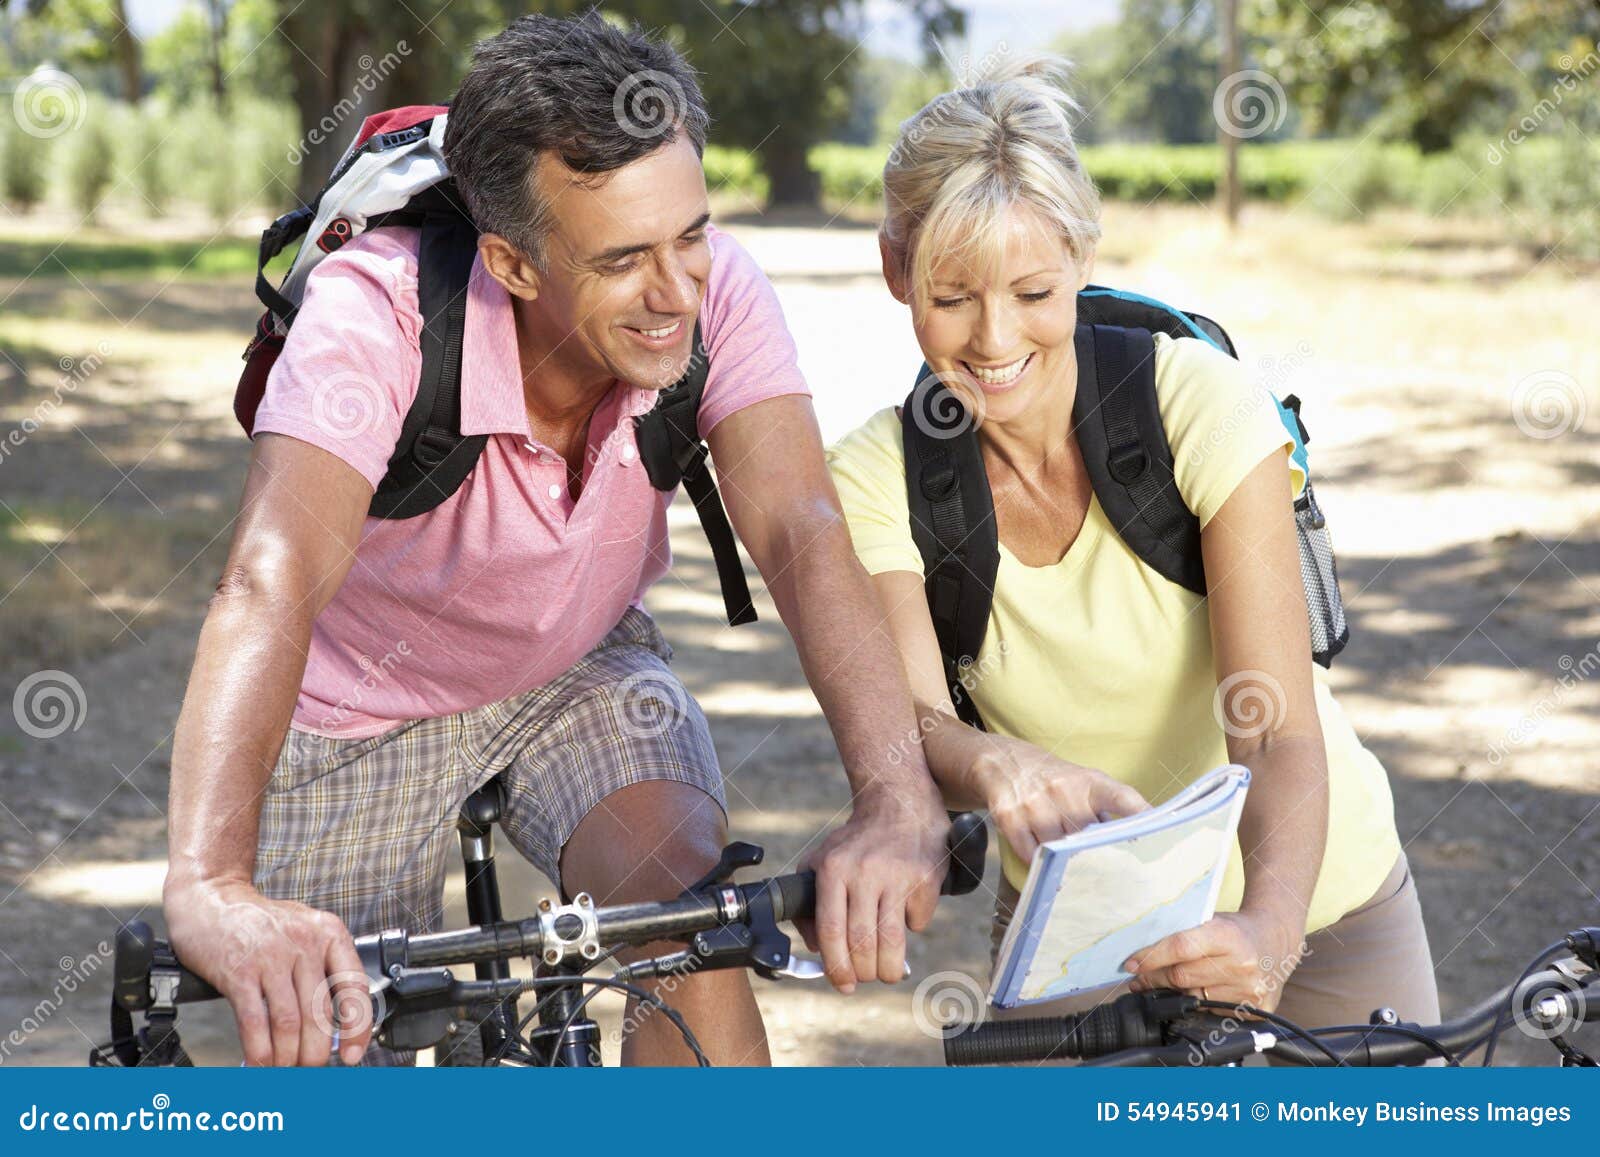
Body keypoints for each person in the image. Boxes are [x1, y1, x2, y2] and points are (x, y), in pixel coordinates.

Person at [162, 12, 951, 1068]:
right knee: (342, 1040)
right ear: (513, 262)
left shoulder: (715, 291)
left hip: (577, 671)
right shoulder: (376, 315)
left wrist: (895, 797)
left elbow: (801, 531)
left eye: (690, 235)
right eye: (623, 260)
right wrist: (211, 882)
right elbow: (270, 578)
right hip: (356, 705)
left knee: (690, 924)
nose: (675, 293)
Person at [824, 54, 1439, 1034]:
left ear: (1080, 256)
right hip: (1080, 937)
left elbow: (1274, 729)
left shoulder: (1199, 402)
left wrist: (1270, 931)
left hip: (1319, 905)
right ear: (896, 268)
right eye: (952, 296)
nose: (994, 340)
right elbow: (916, 724)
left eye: (1033, 291)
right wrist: (994, 760)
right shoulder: (871, 474)